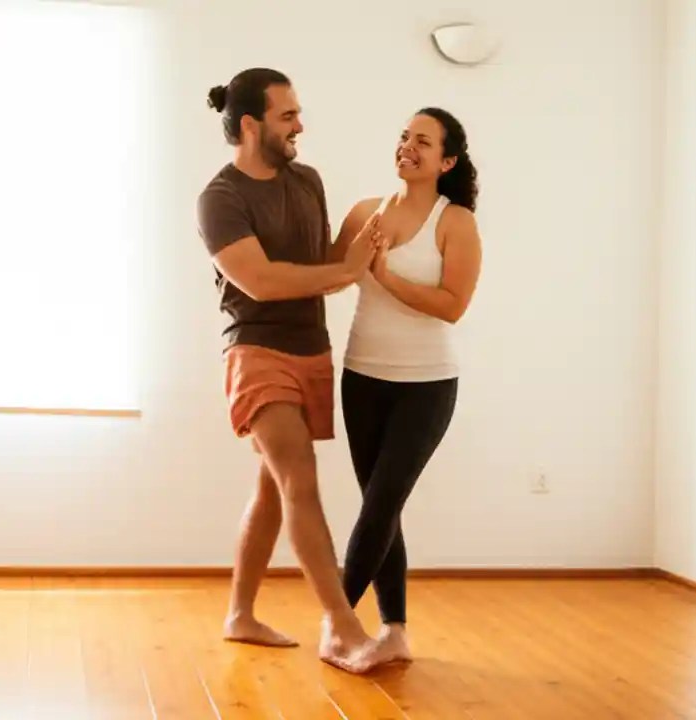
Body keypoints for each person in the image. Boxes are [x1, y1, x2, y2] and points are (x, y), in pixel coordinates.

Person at [195, 68, 387, 674]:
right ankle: (345, 627)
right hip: (256, 350)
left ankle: (240, 616)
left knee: (273, 490)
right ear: (251, 125)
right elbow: (263, 280)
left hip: (312, 349)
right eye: (287, 115)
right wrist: (346, 270)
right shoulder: (220, 198)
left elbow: (322, 265)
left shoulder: (307, 180)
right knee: (299, 481)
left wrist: (363, 230)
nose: (300, 124)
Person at [332, 108, 483, 664]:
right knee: (381, 507)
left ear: (445, 161)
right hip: (361, 378)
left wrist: (387, 276)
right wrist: (357, 254)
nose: (407, 146)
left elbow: (452, 306)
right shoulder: (364, 212)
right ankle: (393, 632)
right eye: (403, 136)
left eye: (423, 141)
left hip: (425, 386)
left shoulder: (455, 222)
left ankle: (337, 621)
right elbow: (330, 277)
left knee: (379, 506)